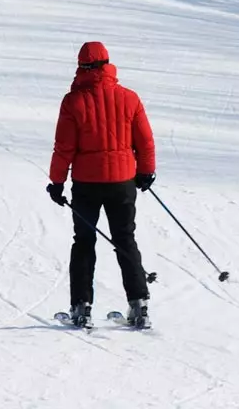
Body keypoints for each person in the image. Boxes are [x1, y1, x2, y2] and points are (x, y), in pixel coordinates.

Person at [47, 42, 156, 329]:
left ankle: (81, 306)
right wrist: (146, 172)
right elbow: (144, 141)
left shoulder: (73, 102)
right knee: (125, 239)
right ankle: (139, 305)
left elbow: (64, 147)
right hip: (122, 182)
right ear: (108, 64)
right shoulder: (129, 98)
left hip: (86, 184)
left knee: (83, 242)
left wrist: (56, 182)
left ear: (82, 67)